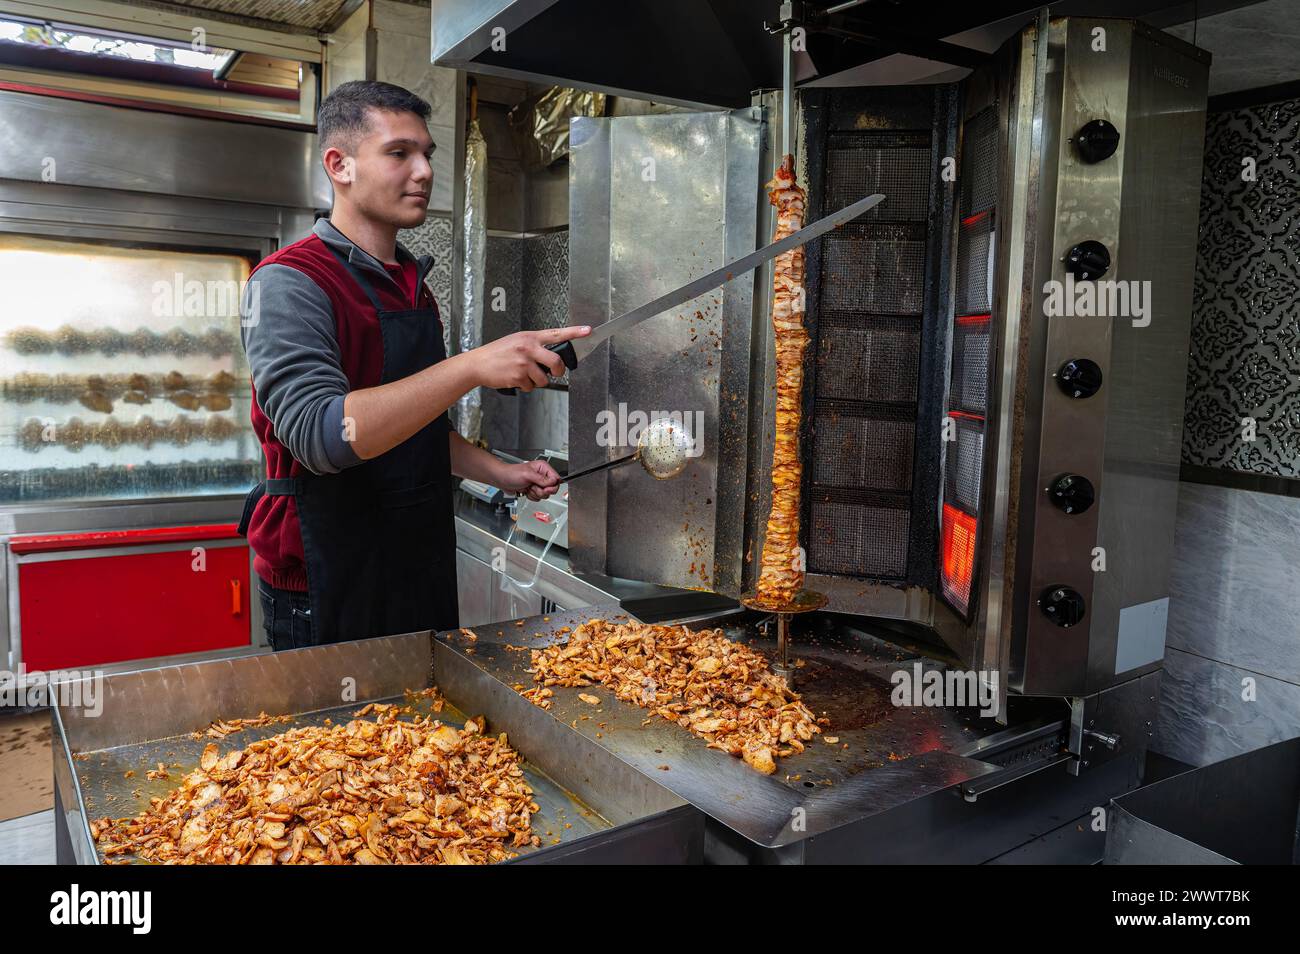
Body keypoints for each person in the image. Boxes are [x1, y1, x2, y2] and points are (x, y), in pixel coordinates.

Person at [237, 80, 589, 650]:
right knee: (339, 740)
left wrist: (503, 473)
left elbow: (415, 431)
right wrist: (473, 367)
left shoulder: (412, 288)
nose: (424, 170)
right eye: (399, 153)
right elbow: (323, 436)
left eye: (427, 153)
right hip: (325, 575)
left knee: (429, 737)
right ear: (340, 165)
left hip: (415, 558)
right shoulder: (288, 283)